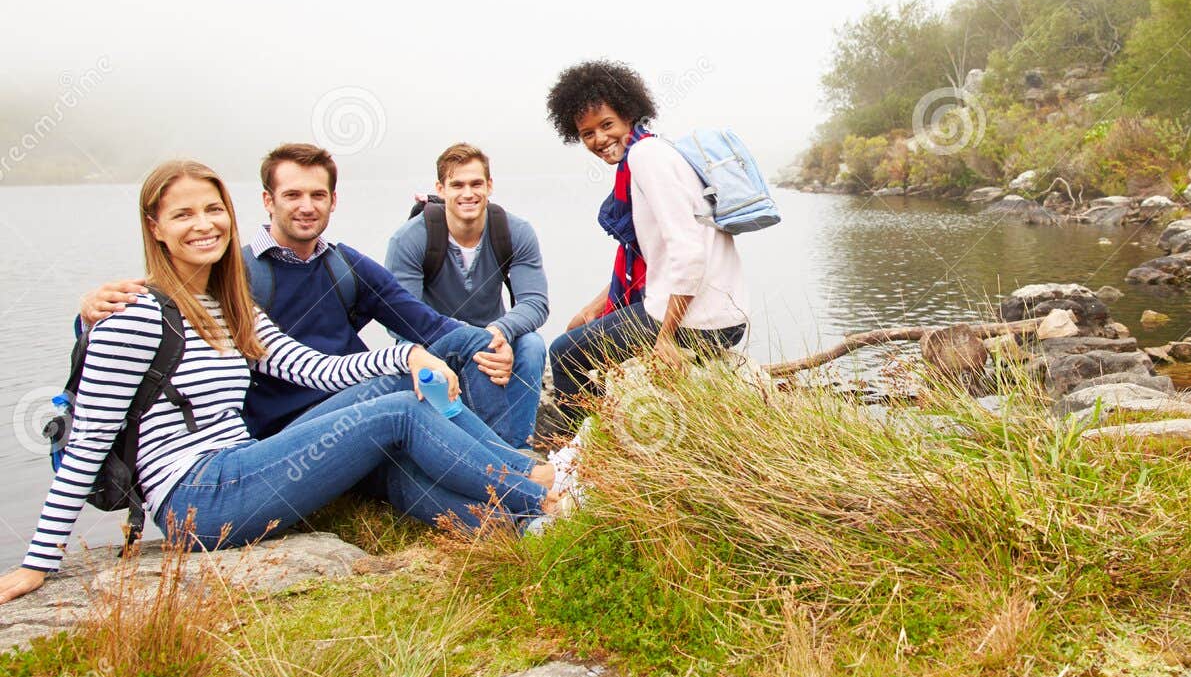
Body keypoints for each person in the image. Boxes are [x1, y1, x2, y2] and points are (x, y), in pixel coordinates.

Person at [0, 159, 561, 605]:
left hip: (246, 461)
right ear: (155, 228)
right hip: (196, 497)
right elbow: (88, 441)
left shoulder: (227, 304)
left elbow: (313, 368)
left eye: (213, 210)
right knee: (402, 415)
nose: (204, 225)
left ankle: (524, 524)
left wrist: (410, 356)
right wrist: (38, 561)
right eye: (183, 215)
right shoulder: (134, 314)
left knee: (400, 402)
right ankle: (541, 482)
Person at [77, 143, 529, 450]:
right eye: (292, 194)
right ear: (267, 201)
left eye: (318, 194)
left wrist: (488, 344)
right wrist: (88, 315)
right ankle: (514, 470)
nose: (306, 206)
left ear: (334, 202)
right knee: (402, 380)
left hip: (360, 406)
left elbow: (425, 324)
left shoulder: (344, 264)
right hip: (286, 433)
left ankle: (510, 462)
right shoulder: (232, 270)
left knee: (469, 344)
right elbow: (165, 310)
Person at [543, 60, 749, 419]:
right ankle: (607, 428)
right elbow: (656, 260)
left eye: (606, 125)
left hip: (700, 323)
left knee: (564, 354)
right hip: (720, 315)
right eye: (587, 133)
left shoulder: (644, 158)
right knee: (582, 338)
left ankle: (584, 445)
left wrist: (665, 337)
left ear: (628, 114)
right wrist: (598, 306)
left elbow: (689, 253)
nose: (599, 140)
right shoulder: (653, 150)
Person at [386, 143, 549, 448]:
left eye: (476, 183)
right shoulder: (409, 239)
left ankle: (517, 450)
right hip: (435, 342)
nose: (468, 193)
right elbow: (399, 320)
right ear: (440, 189)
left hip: (492, 340)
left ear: (489, 186)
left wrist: (500, 330)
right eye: (457, 185)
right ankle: (440, 442)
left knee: (531, 344)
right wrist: (471, 338)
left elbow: (535, 302)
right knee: (408, 347)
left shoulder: (515, 231)